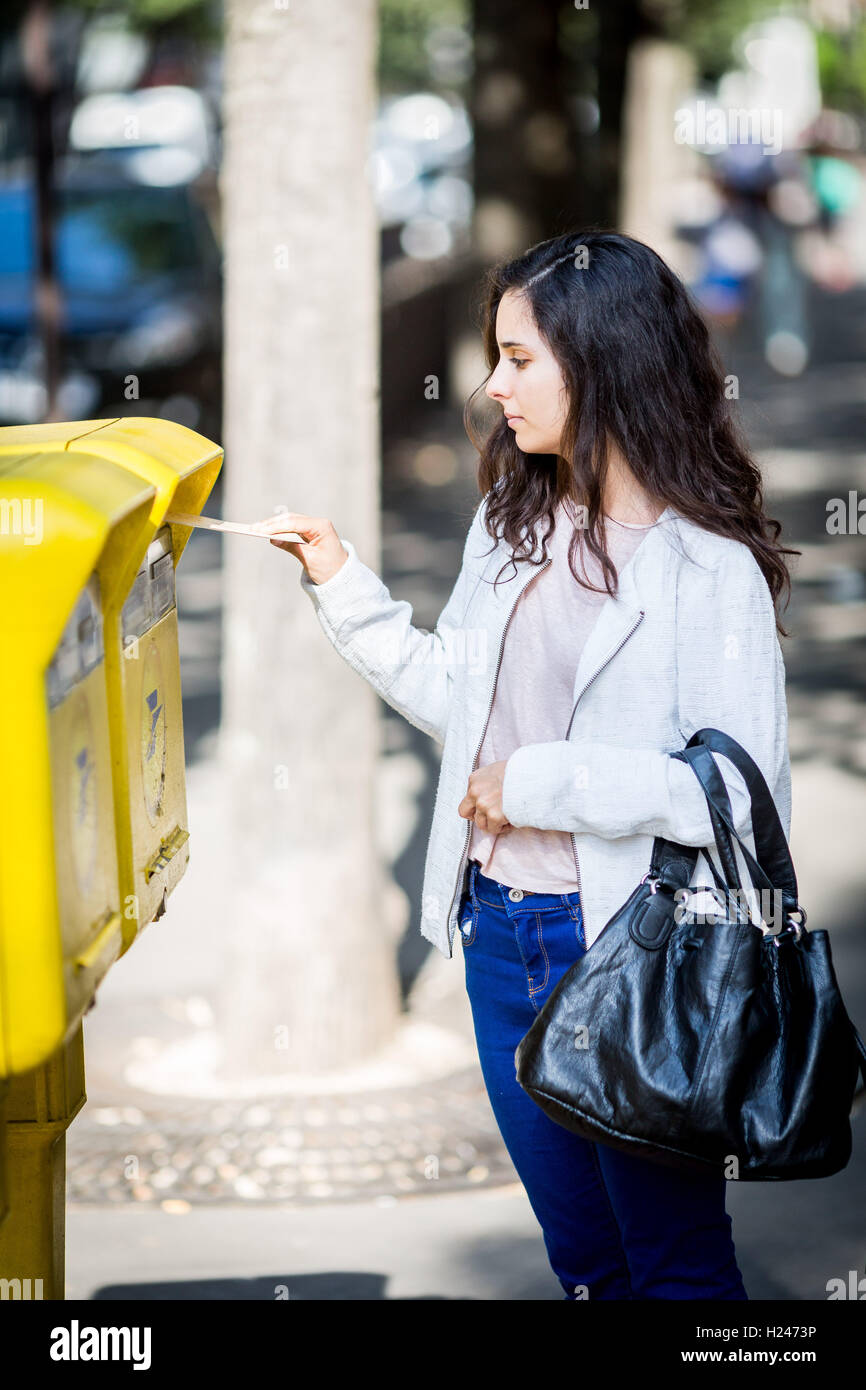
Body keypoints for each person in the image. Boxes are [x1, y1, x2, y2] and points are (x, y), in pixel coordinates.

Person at [253, 230, 798, 1301]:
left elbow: (735, 795)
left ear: (602, 360)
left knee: (674, 1267)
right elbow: (461, 712)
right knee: (584, 1264)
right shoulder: (511, 527)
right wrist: (342, 586)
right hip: (500, 936)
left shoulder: (706, 569)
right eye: (493, 356)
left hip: (633, 954)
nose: (492, 384)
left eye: (517, 358)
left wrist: (544, 781)